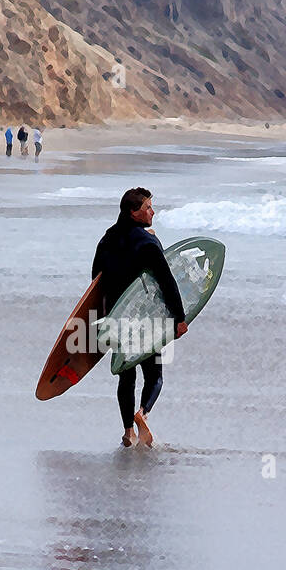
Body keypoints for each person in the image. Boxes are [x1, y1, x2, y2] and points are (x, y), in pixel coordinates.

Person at [91, 188, 188, 447]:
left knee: (126, 374)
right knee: (154, 375)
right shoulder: (147, 243)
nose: (153, 212)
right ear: (134, 213)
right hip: (147, 319)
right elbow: (166, 281)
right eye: (148, 208)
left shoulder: (107, 239)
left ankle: (127, 432)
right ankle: (142, 413)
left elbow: (95, 282)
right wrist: (179, 317)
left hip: (118, 316)